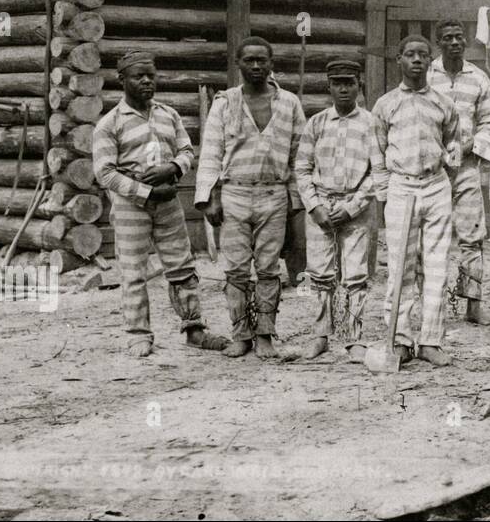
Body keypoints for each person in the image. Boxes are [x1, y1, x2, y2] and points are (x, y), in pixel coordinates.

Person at [93, 51, 229, 357]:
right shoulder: (109, 124)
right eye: (138, 76)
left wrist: (173, 169)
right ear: (122, 80)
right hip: (131, 207)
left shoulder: (169, 114)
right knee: (133, 271)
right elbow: (104, 172)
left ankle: (194, 330)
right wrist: (144, 192)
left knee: (182, 265)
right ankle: (139, 334)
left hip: (169, 204)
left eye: (150, 75)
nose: (145, 81)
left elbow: (187, 149)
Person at [195, 36, 305, 360]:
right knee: (236, 270)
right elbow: (211, 152)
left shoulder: (289, 103)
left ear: (272, 63)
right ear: (238, 64)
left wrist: (296, 203)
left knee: (269, 268)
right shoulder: (225, 103)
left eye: (262, 60)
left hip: (274, 194)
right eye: (249, 60)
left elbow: (300, 157)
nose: (256, 66)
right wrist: (210, 198)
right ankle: (241, 334)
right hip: (234, 194)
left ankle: (266, 334)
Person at [371, 35, 461, 368]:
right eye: (410, 54)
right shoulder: (385, 104)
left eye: (423, 55)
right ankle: (399, 340)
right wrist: (384, 194)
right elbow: (377, 154)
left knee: (436, 266)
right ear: (399, 60)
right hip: (401, 187)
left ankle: (431, 341)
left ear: (430, 61)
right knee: (400, 266)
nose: (417, 60)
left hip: (436, 186)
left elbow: (453, 140)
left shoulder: (442, 102)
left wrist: (452, 154)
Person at [292, 59, 388, 362]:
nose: (344, 88)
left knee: (356, 274)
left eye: (350, 82)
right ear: (328, 86)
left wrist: (352, 207)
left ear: (359, 84)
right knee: (320, 273)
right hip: (321, 206)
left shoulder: (371, 123)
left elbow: (378, 171)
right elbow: (302, 168)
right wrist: (315, 206)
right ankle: (320, 335)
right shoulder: (317, 123)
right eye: (338, 83)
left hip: (356, 209)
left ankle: (354, 339)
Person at [428, 19, 490, 325]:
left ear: (466, 42)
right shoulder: (426, 75)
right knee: (433, 237)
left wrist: (469, 146)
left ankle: (473, 302)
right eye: (447, 38)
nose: (454, 43)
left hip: (467, 168)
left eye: (459, 38)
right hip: (432, 170)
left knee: (472, 234)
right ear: (438, 43)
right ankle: (434, 306)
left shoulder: (479, 78)